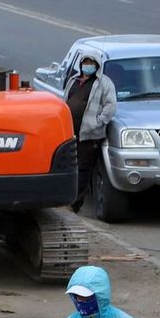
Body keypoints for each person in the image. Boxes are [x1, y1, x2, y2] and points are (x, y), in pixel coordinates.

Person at [64, 53, 117, 212]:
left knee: (83, 169)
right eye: (85, 62)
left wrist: (97, 122)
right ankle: (67, 197)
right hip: (71, 132)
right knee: (70, 166)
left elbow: (110, 106)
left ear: (97, 65)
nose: (88, 65)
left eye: (91, 63)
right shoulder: (74, 80)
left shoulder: (104, 83)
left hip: (90, 135)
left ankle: (75, 202)